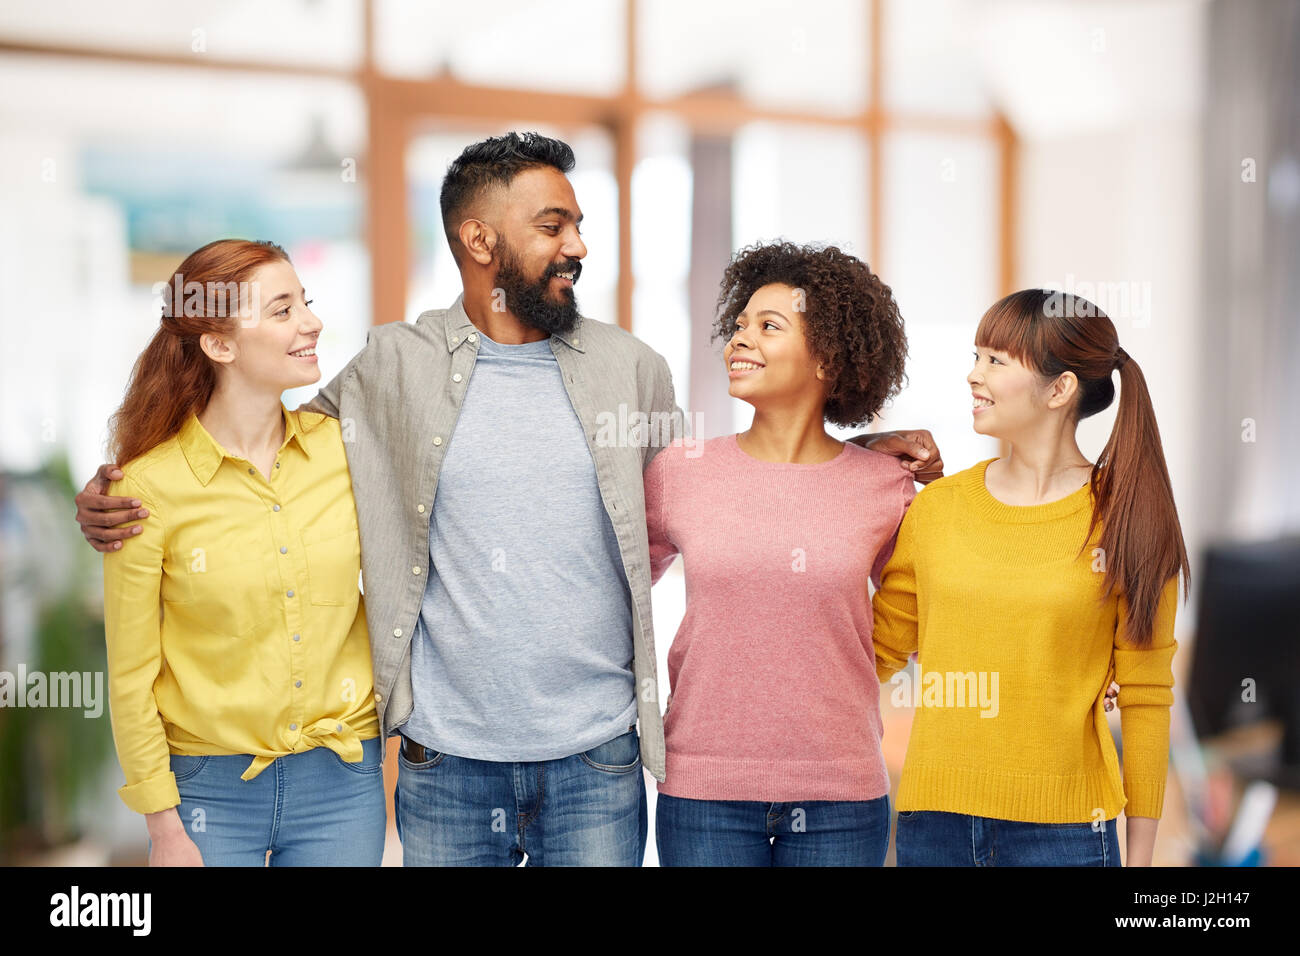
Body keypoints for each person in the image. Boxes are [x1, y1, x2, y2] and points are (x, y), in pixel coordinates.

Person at [76, 132, 942, 867]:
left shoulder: (631, 369)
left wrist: (850, 453)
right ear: (479, 239)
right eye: (552, 224)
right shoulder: (392, 367)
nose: (578, 246)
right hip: (445, 761)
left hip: (598, 763)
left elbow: (710, 488)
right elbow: (261, 440)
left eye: (579, 224)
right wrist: (116, 486)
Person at [873, 288, 1190, 867]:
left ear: (1059, 388)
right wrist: (848, 463)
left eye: (996, 360)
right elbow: (873, 649)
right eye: (975, 356)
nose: (974, 374)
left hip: (1067, 835)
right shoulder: (937, 508)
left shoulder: (1129, 519)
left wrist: (1140, 861)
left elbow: (1146, 697)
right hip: (933, 825)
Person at [100, 239, 384, 866]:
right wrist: (164, 828)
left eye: (304, 303)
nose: (311, 322)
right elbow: (131, 676)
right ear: (220, 344)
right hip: (207, 793)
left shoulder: (348, 453)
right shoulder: (148, 489)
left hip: (342, 781)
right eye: (282, 310)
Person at [645, 241, 920, 866]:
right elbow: (615, 590)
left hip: (842, 797)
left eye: (768, 327)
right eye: (739, 325)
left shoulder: (885, 485)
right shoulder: (679, 473)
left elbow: (934, 603)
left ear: (828, 356)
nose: (740, 340)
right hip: (703, 794)